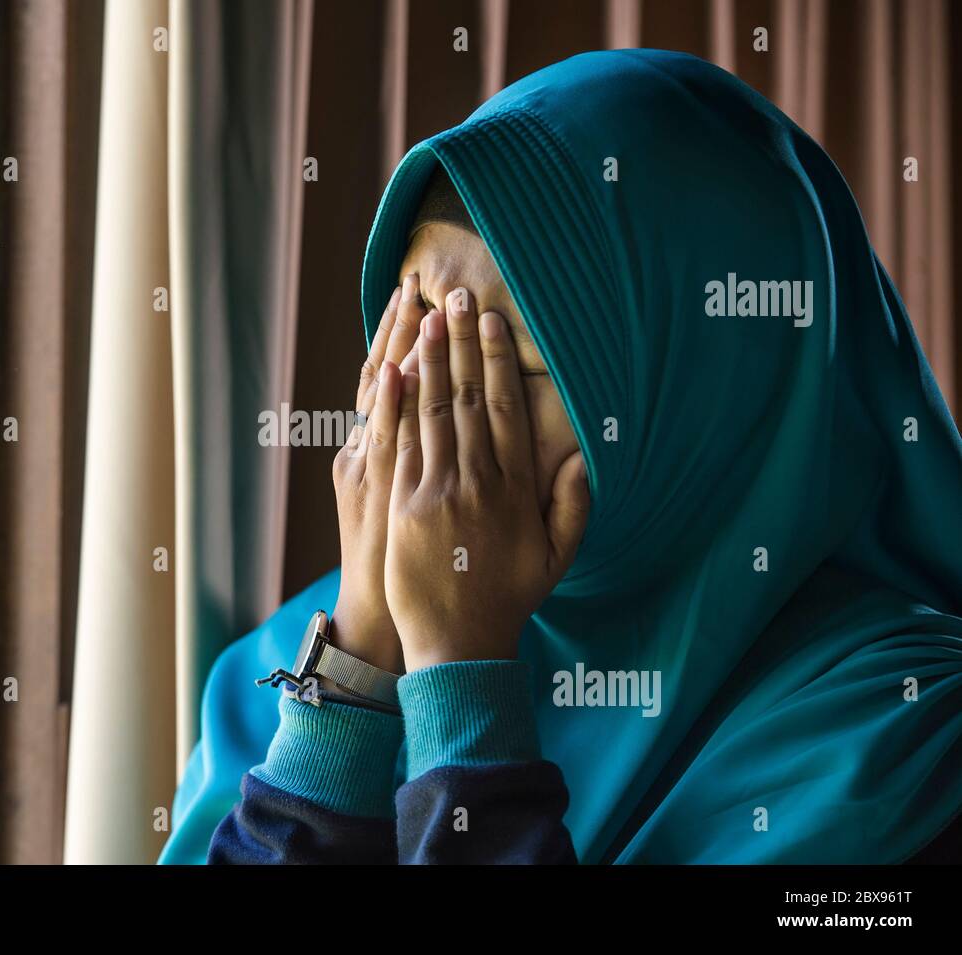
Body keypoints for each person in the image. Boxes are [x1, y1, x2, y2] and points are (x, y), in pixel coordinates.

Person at [161, 49, 962, 865]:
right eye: (411, 339)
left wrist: (460, 681)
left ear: (706, 389)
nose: (421, 418)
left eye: (509, 369)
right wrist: (352, 680)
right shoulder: (286, 675)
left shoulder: (897, 737)